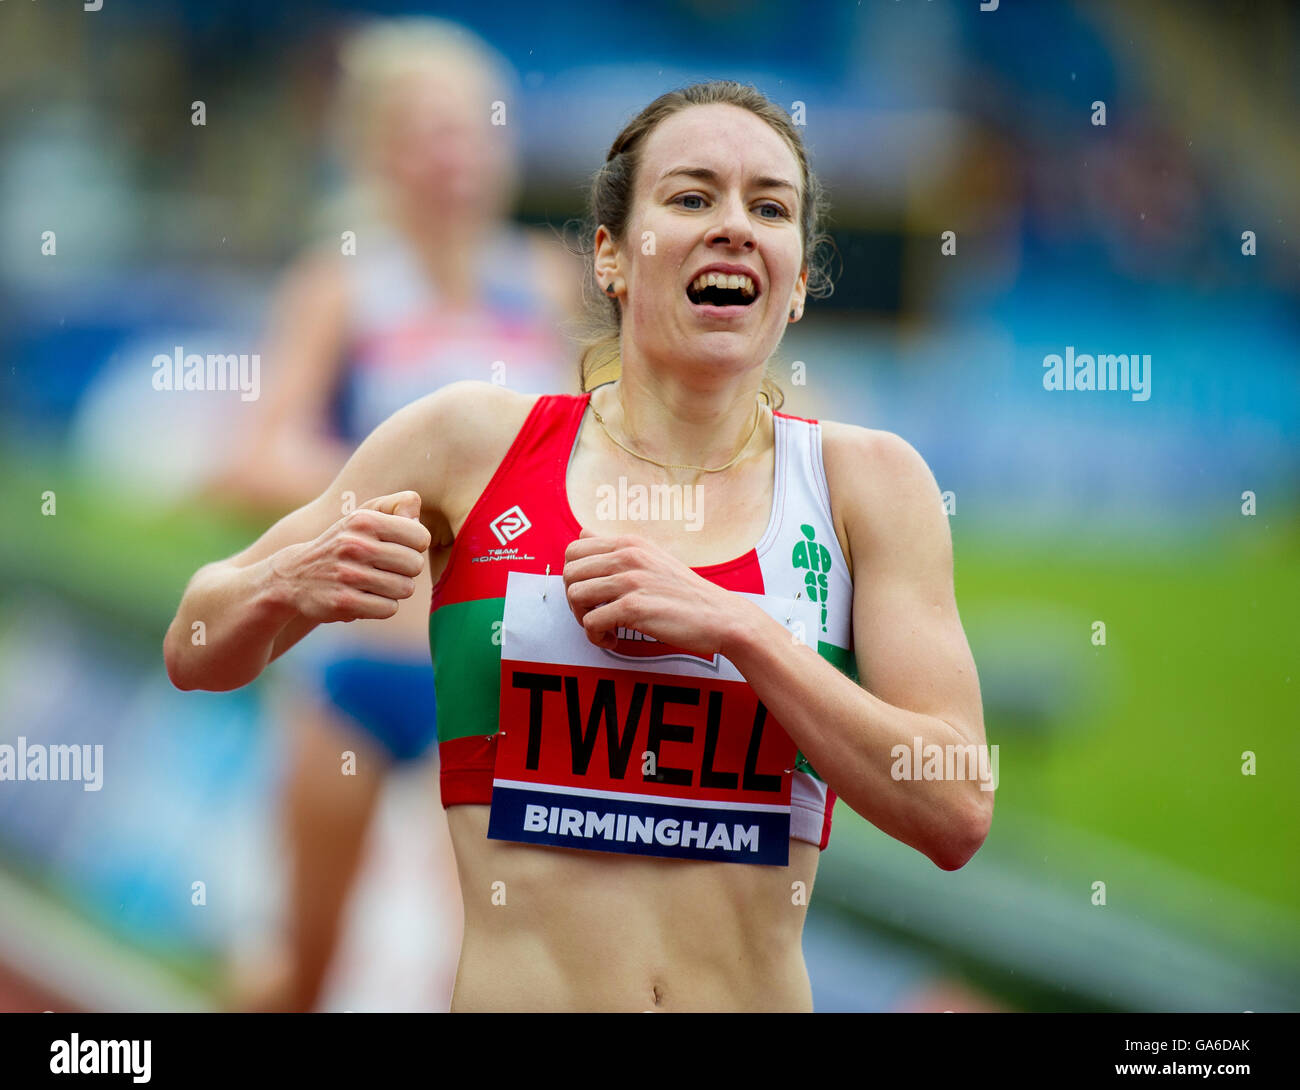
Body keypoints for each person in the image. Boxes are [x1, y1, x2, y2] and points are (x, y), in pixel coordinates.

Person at [167, 79, 990, 1012]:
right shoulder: (466, 442)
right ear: (610, 258)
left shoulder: (868, 485)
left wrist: (741, 630)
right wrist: (288, 579)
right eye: (691, 198)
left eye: (770, 207)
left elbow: (957, 807)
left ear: (797, 278)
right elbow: (194, 647)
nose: (734, 226)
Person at [203, 18, 580, 1011]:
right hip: (360, 672)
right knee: (306, 972)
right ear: (376, 151)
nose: (452, 156)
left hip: (504, 677)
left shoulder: (542, 282)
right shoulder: (342, 288)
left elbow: (594, 457)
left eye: (470, 130)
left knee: (495, 978)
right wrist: (415, 488)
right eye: (423, 132)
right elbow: (252, 459)